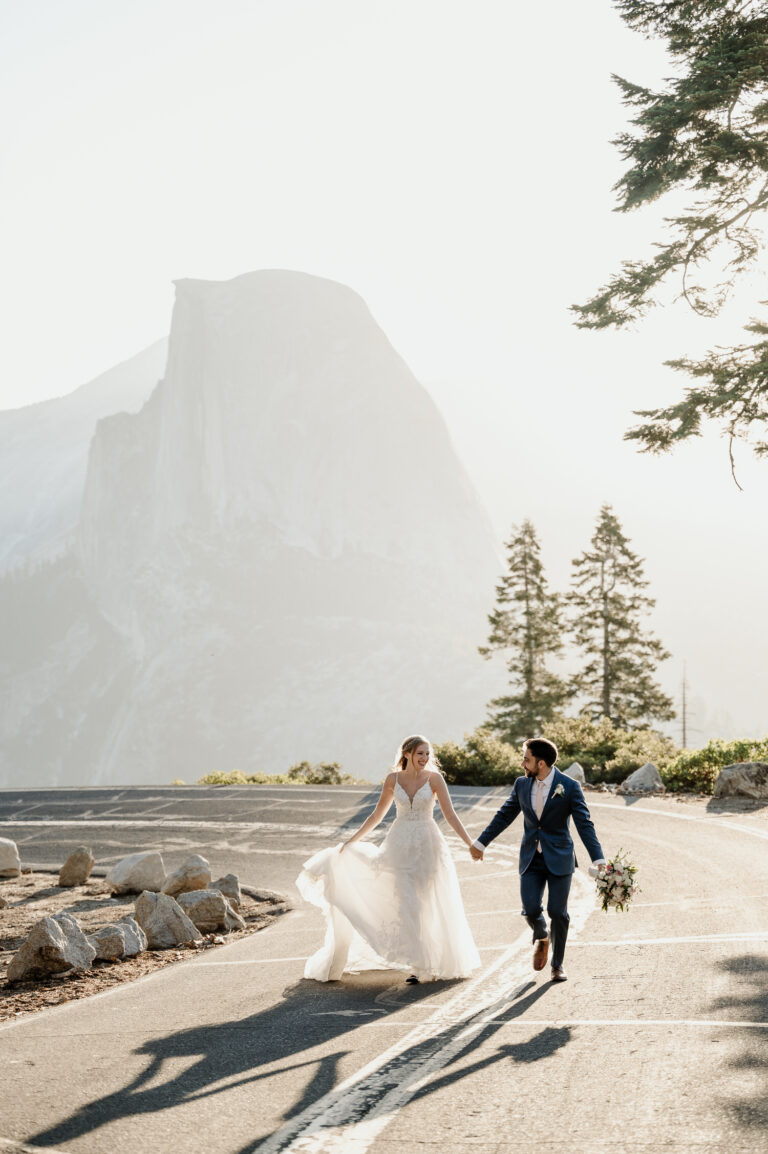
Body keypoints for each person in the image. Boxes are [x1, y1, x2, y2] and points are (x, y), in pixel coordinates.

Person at [297, 734, 481, 983]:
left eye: (427, 754)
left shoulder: (435, 779)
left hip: (428, 846)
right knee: (406, 902)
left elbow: (450, 815)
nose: (425, 758)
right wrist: (352, 841)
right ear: (407, 754)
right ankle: (418, 964)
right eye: (420, 753)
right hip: (398, 845)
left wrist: (470, 843)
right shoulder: (393, 779)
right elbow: (377, 815)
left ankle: (426, 961)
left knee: (425, 902)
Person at [469, 737, 605, 983]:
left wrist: (598, 858)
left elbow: (584, 824)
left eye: (526, 759)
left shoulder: (569, 786)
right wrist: (481, 843)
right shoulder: (522, 784)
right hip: (531, 857)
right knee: (531, 909)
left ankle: (557, 965)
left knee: (558, 912)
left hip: (560, 857)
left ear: (541, 763)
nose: (523, 764)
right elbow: (504, 815)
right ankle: (542, 935)